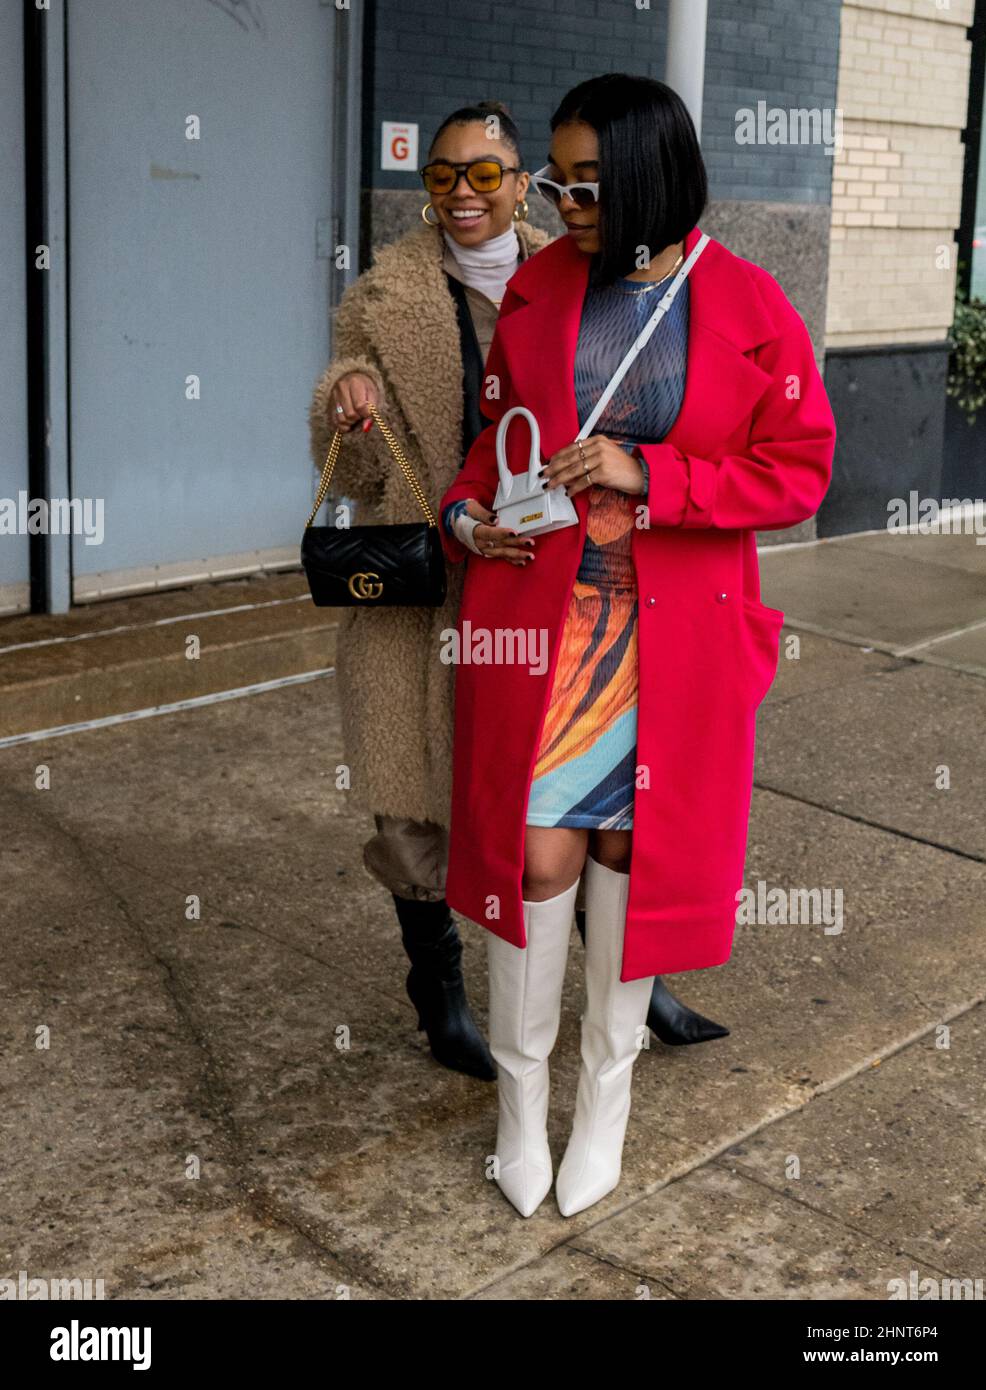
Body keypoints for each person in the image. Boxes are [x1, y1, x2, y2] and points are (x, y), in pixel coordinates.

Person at [438, 74, 836, 1217]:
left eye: (588, 183)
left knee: (629, 860)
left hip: (678, 647)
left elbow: (798, 468)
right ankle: (520, 1104)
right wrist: (468, 516)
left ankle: (602, 1102)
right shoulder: (539, 286)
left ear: (654, 177)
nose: (563, 202)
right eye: (556, 179)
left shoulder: (750, 303)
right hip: (543, 633)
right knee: (536, 861)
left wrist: (648, 472)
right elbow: (493, 440)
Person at [308, 102, 548, 1081]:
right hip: (415, 581)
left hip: (537, 578)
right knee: (409, 801)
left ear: (522, 182)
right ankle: (438, 988)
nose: (462, 193)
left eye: (484, 174)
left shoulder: (576, 280)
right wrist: (344, 413)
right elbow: (352, 469)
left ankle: (623, 968)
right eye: (443, 175)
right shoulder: (379, 300)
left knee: (558, 783)